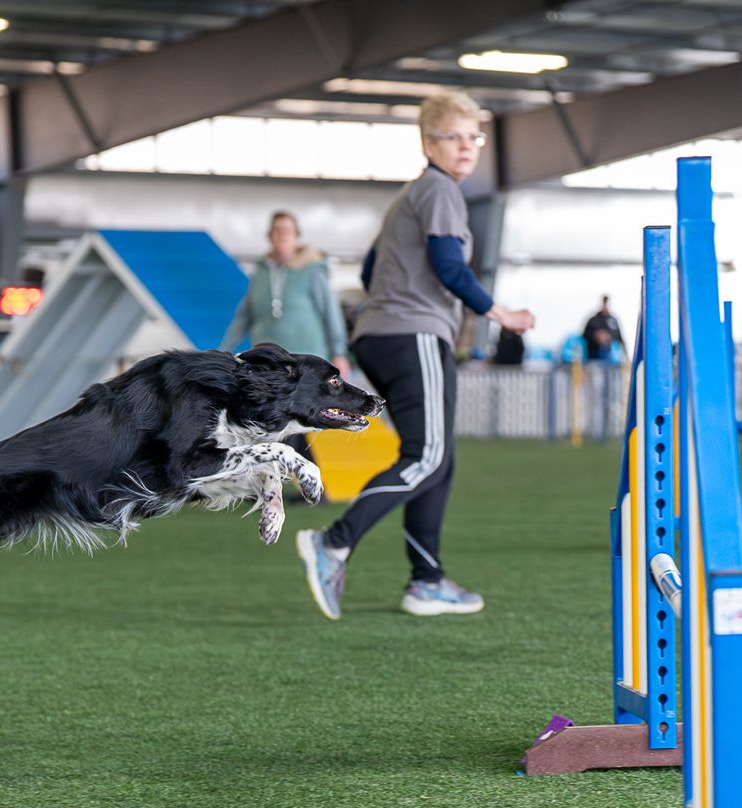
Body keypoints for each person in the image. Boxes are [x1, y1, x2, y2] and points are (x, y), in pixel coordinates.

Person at [295, 89, 534, 620]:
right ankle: (333, 542)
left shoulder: (408, 199)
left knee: (437, 460)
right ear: (428, 142)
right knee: (426, 456)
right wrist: (502, 314)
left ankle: (426, 580)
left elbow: (368, 271)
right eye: (451, 136)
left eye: (473, 136)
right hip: (414, 336)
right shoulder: (441, 191)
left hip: (382, 336)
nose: (465, 146)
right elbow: (450, 267)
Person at [220, 210, 350, 379]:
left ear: (296, 237)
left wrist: (339, 353)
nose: (282, 235)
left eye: (287, 231)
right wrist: (223, 352)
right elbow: (243, 317)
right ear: (269, 237)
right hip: (267, 362)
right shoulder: (260, 273)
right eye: (277, 230)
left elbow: (330, 312)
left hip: (307, 362)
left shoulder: (312, 270)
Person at [583, 296, 622, 361]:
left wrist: (609, 338)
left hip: (611, 359)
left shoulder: (614, 321)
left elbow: (620, 338)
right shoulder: (593, 320)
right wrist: (596, 336)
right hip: (593, 358)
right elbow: (584, 336)